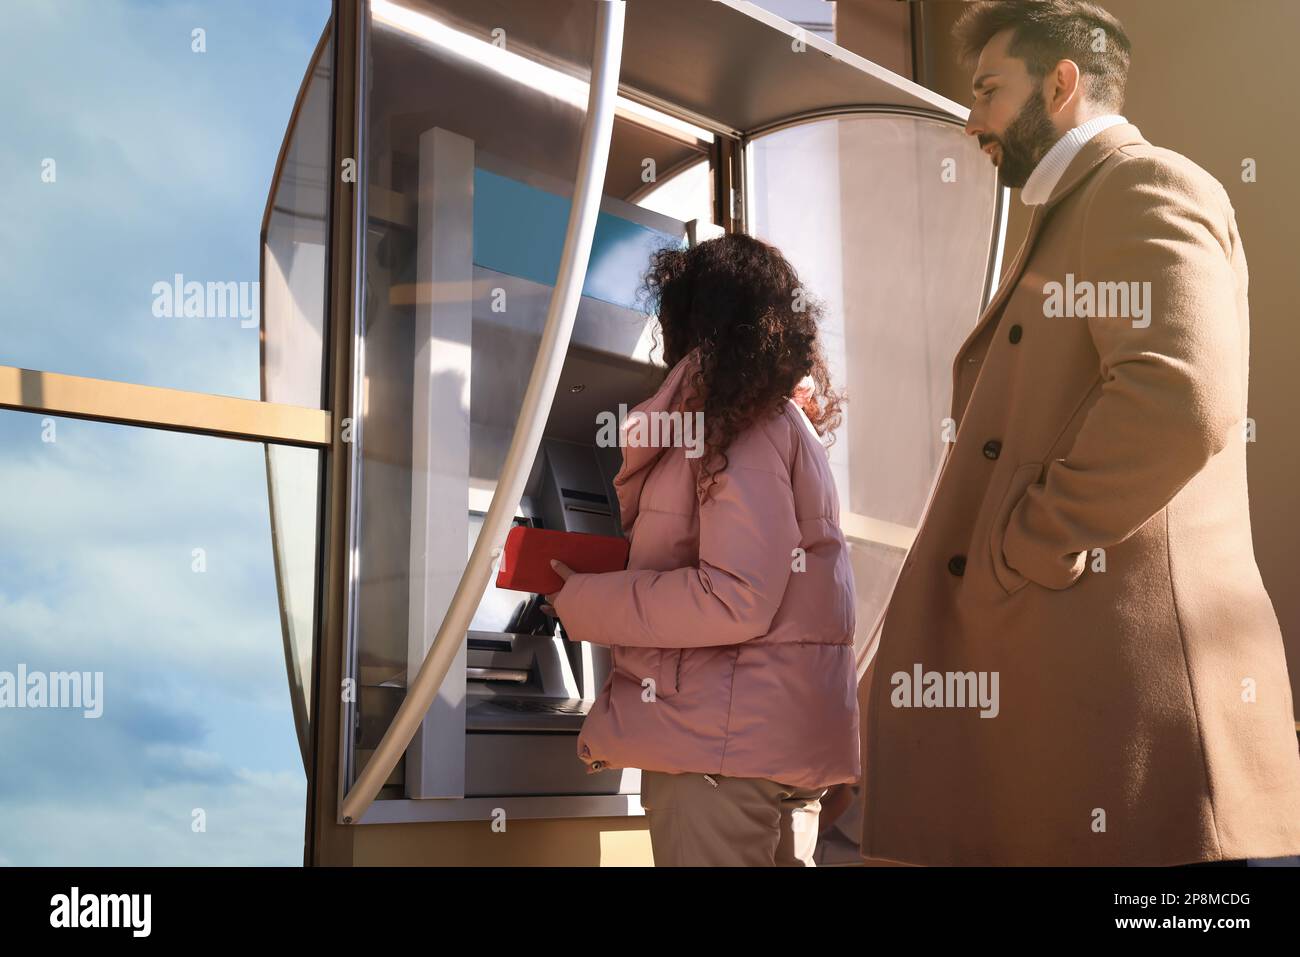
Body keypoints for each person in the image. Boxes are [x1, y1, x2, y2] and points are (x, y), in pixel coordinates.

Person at [859, 0, 1300, 866]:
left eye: (989, 90)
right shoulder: (1071, 208)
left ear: (1061, 84)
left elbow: (1181, 397)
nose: (973, 117)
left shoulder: (1144, 183)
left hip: (1135, 722)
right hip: (1078, 711)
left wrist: (1025, 543)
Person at [543, 233, 860, 866]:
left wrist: (580, 599)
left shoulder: (739, 427)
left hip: (719, 750)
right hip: (762, 739)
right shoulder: (775, 421)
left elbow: (735, 596)